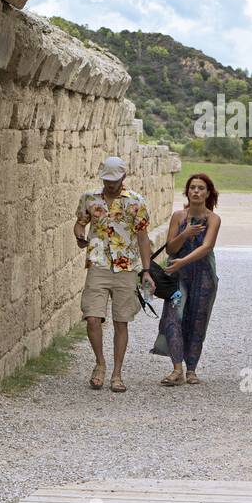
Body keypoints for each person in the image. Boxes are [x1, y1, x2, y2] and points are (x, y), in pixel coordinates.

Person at [74, 156, 155, 393]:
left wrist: (147, 271)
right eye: (106, 180)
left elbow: (142, 238)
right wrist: (79, 236)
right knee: (92, 317)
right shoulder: (90, 198)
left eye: (115, 180)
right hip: (98, 263)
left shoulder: (136, 202)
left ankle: (117, 374)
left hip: (126, 266)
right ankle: (100, 363)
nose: (110, 184)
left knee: (121, 321)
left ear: (123, 177)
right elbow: (80, 223)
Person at [157, 173, 221, 386]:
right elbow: (170, 248)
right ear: (187, 191)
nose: (196, 191)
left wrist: (182, 261)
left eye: (201, 188)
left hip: (203, 275)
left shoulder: (213, 219)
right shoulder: (178, 217)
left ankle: (191, 369)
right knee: (173, 316)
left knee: (197, 320)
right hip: (178, 276)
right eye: (192, 187)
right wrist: (185, 234)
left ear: (208, 193)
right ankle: (177, 369)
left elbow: (207, 247)